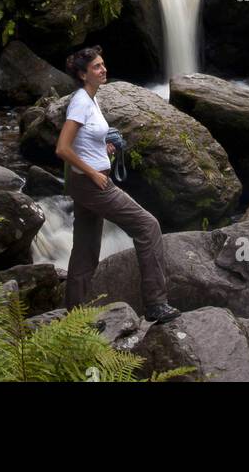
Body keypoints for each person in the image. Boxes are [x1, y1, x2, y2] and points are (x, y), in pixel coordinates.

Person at [56, 44, 180, 323]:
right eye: (96, 67)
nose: (103, 69)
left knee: (85, 250)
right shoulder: (80, 101)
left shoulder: (91, 99)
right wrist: (93, 172)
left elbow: (83, 139)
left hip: (87, 183)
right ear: (82, 74)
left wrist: (105, 148)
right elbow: (62, 148)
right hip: (93, 184)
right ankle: (155, 303)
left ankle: (73, 317)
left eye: (103, 64)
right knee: (148, 226)